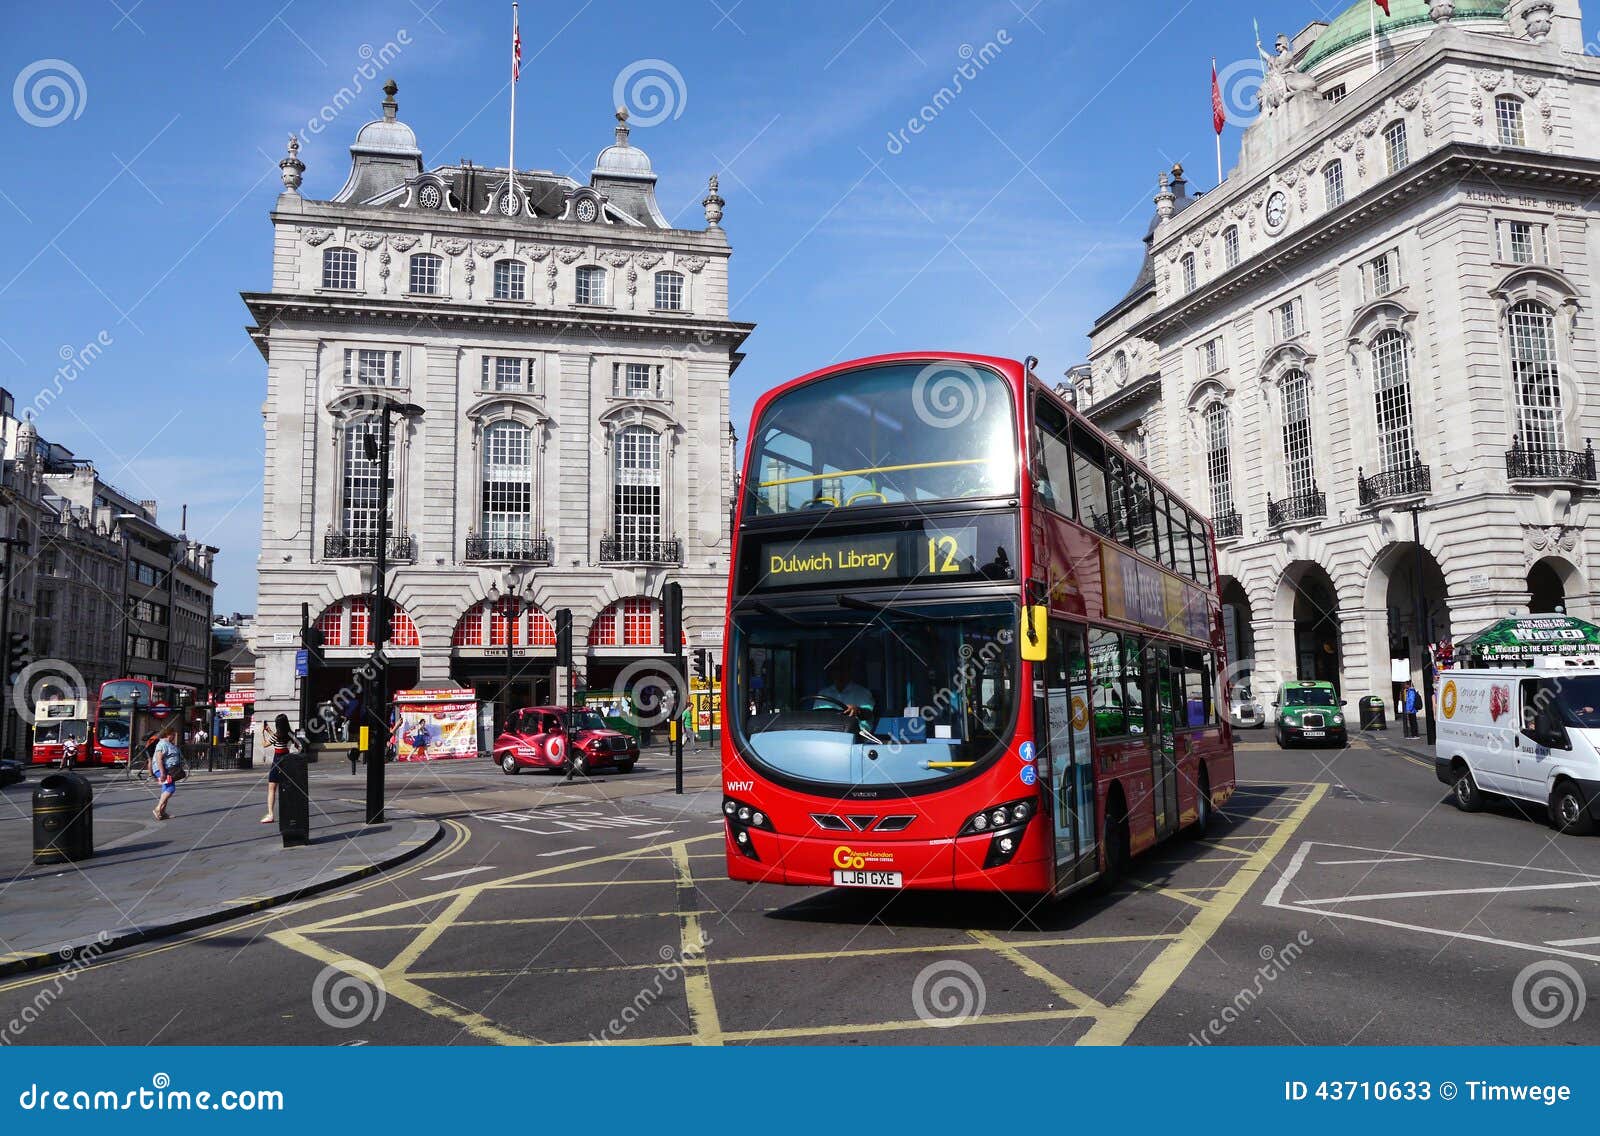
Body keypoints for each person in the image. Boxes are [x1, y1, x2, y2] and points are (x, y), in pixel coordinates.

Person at [261, 713, 292, 823]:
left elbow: (264, 744)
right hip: (287, 761)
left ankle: (270, 814)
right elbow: (298, 745)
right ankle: (289, 813)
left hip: (277, 761)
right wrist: (269, 731)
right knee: (287, 789)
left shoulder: (276, 736)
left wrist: (263, 733)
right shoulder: (290, 734)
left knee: (272, 788)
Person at [151, 726, 181, 820]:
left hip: (171, 770)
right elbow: (158, 759)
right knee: (171, 789)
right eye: (173, 734)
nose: (174, 736)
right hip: (164, 770)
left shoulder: (169, 744)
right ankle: (158, 809)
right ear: (169, 734)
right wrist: (162, 772)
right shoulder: (162, 744)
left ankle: (162, 813)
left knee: (166, 790)